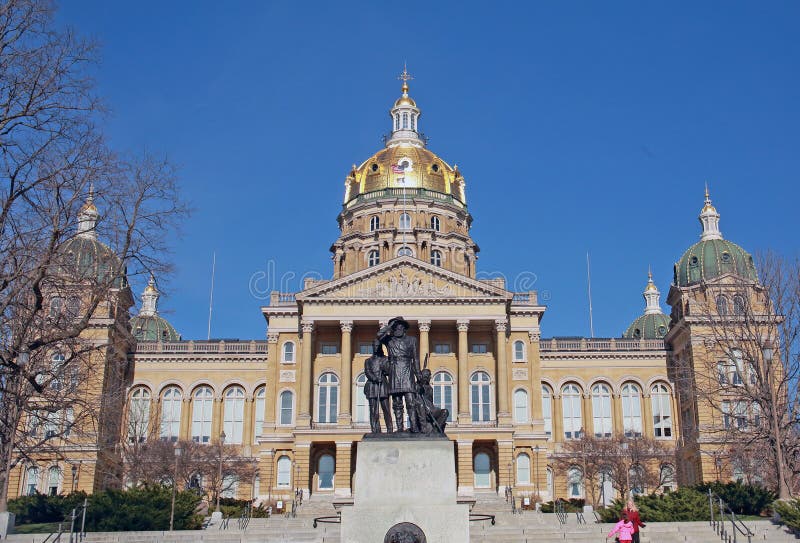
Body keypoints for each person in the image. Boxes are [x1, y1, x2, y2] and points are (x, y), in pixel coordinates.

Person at [377, 316, 421, 433]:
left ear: (404, 328)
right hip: (394, 370)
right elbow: (379, 336)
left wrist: (418, 374)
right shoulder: (389, 340)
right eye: (396, 326)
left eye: (400, 325)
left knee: (411, 401)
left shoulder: (412, 340)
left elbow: (416, 359)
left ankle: (414, 427)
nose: (398, 328)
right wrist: (390, 325)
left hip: (407, 369)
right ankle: (400, 428)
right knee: (397, 403)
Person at [364, 339, 393, 433]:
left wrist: (385, 367)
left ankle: (390, 429)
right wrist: (375, 378)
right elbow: (367, 372)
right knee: (373, 410)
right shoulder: (368, 361)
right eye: (374, 346)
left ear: (380, 347)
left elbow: (389, 372)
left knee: (386, 409)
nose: (376, 348)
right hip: (373, 385)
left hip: (383, 385)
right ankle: (375, 430)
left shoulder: (385, 359)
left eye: (377, 346)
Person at [415, 368, 448, 434]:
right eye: (429, 376)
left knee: (445, 412)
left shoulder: (430, 388)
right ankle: (423, 429)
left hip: (431, 410)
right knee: (421, 406)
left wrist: (430, 408)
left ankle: (435, 431)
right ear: (425, 376)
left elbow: (431, 401)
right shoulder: (417, 386)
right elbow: (416, 399)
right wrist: (425, 407)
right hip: (421, 409)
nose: (430, 377)